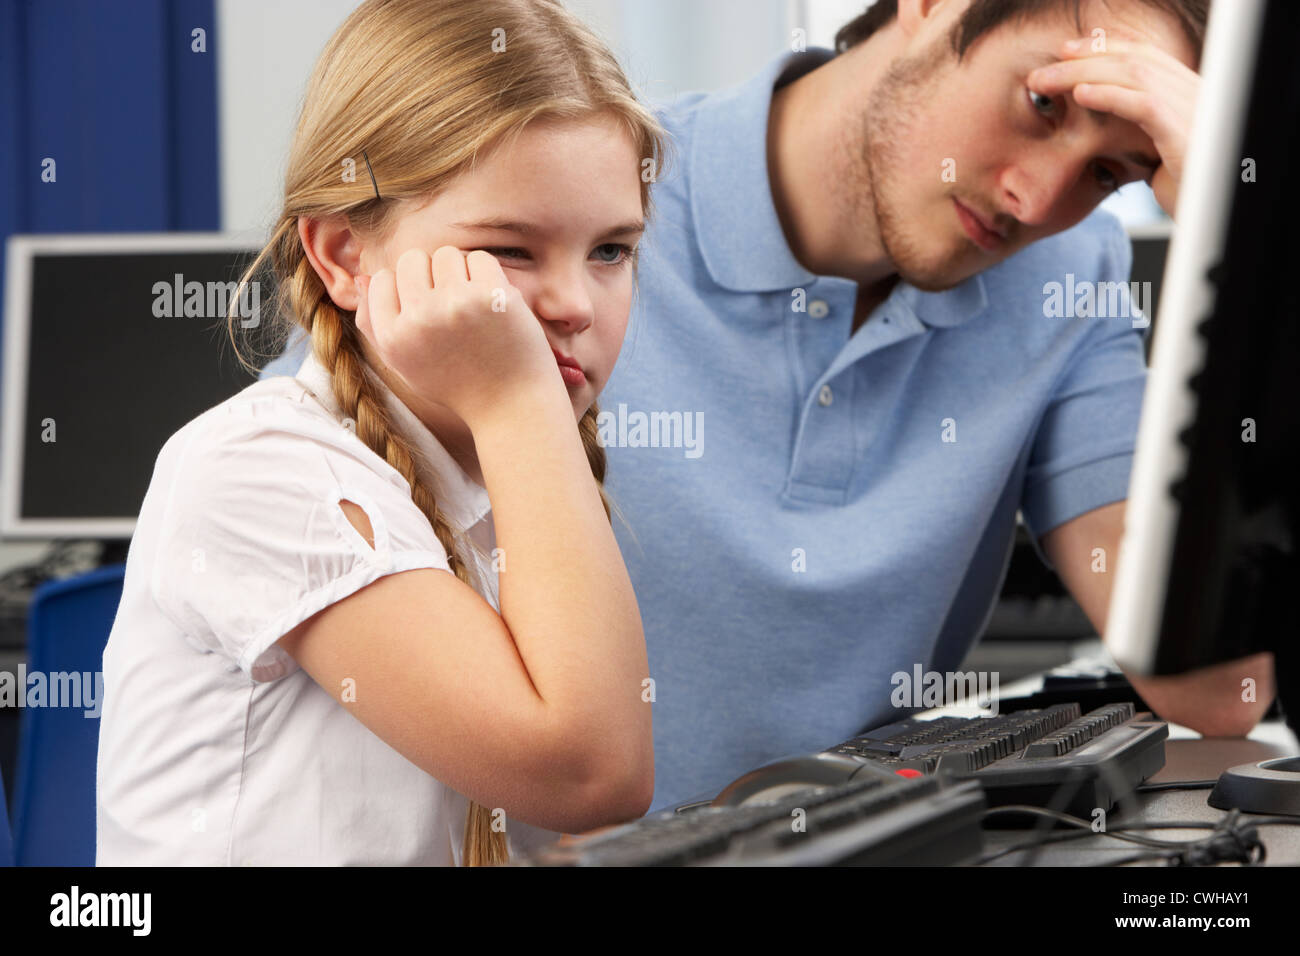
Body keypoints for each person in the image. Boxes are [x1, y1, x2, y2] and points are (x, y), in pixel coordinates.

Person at [263, 0, 1276, 816]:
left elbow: (1216, 690)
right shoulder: (581, 209)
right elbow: (293, 490)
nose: (1037, 199)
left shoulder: (1069, 272)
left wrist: (1248, 245)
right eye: (1043, 106)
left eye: (1114, 169)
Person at [96, 0, 667, 865]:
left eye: (612, 251)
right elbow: (596, 774)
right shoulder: (255, 471)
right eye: (511, 250)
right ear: (342, 256)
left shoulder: (489, 480)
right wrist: (520, 399)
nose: (577, 306)